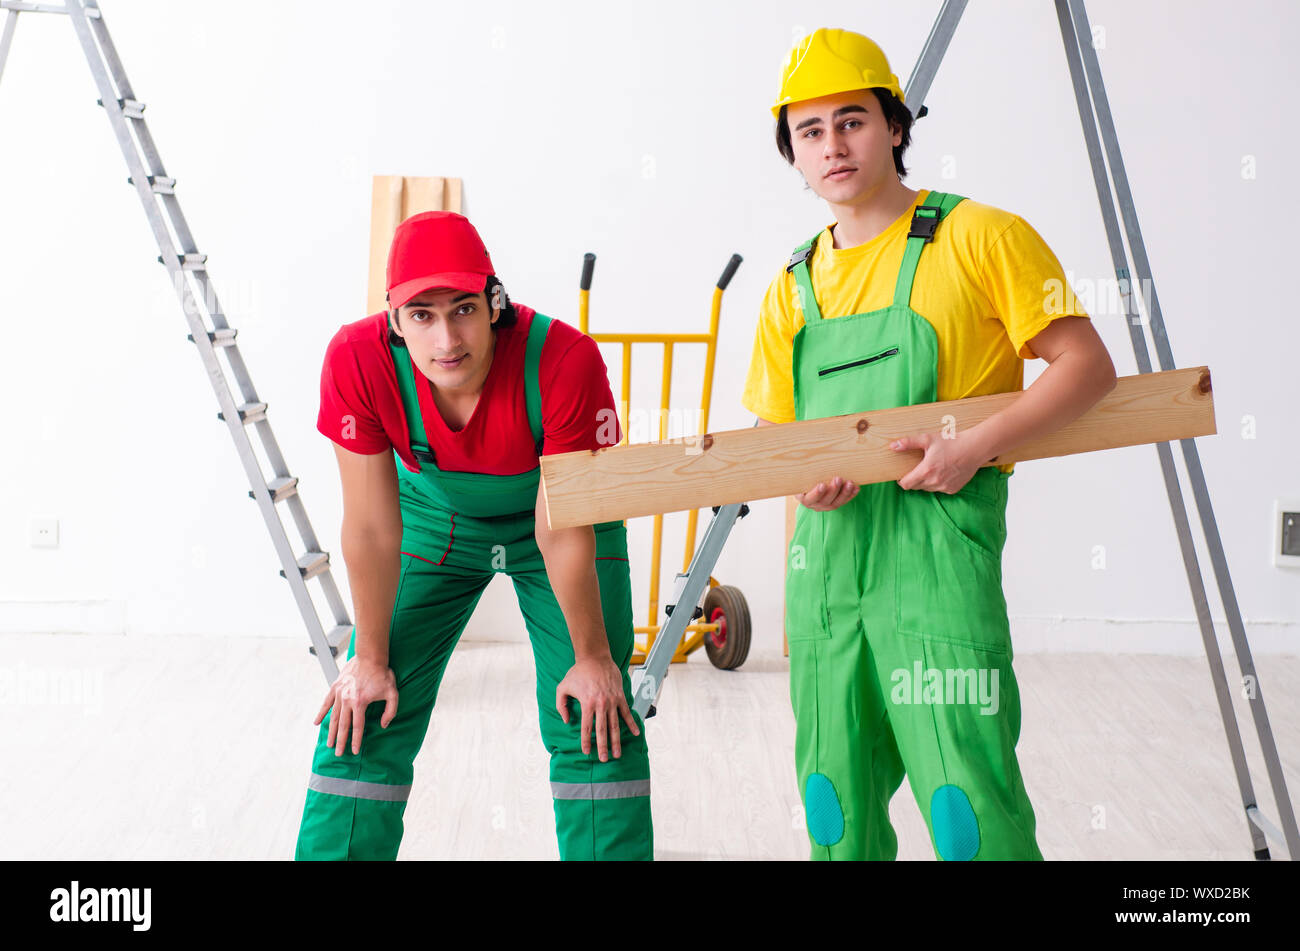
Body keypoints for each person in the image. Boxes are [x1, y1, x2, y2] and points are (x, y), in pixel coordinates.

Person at [742, 28, 1117, 860]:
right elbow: (776, 438)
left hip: (938, 567)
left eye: (853, 121)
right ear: (793, 155)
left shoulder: (981, 235)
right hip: (829, 576)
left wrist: (975, 445)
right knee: (834, 809)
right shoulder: (792, 282)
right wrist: (800, 484)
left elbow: (1086, 366)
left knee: (967, 807)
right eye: (811, 132)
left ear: (896, 127)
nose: (833, 145)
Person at [294, 210, 653, 860]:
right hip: (435, 520)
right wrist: (368, 659)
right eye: (422, 315)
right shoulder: (357, 359)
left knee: (595, 709)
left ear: (495, 303)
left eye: (462, 308)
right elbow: (373, 527)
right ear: (394, 321)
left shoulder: (565, 361)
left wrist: (595, 658)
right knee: (366, 708)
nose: (447, 338)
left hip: (559, 520)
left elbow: (562, 526)